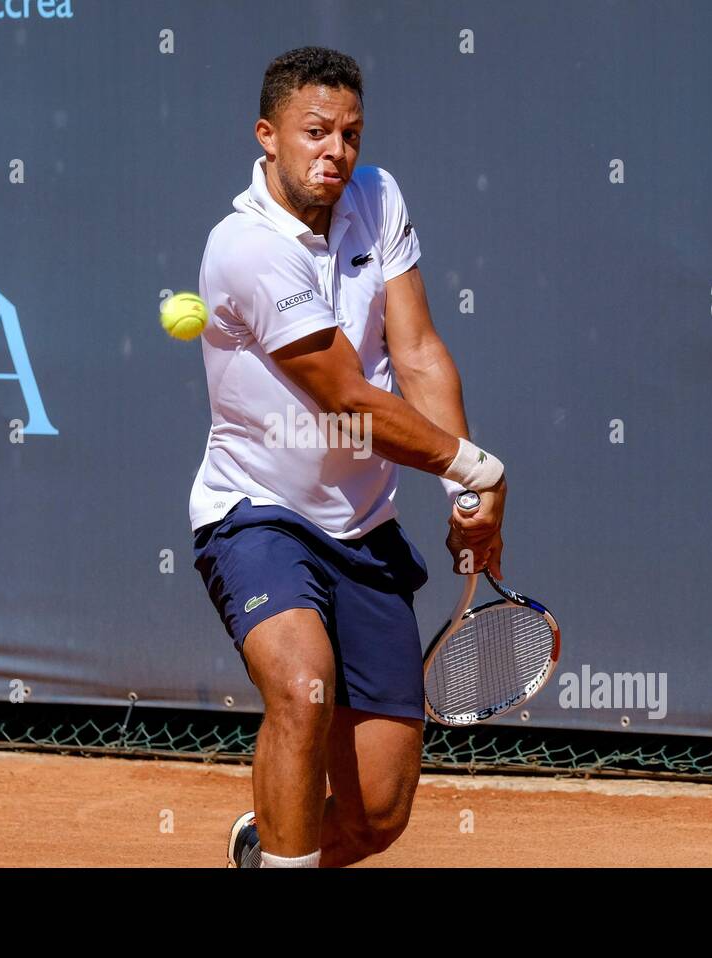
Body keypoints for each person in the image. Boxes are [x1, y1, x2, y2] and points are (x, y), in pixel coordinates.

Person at [189, 46, 508, 868]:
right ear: (268, 136)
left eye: (351, 135)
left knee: (376, 814)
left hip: (364, 528)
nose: (336, 152)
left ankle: (269, 850)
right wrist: (478, 469)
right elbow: (349, 403)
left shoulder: (377, 197)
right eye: (315, 132)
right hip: (257, 513)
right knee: (302, 687)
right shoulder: (245, 247)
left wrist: (459, 492)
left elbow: (420, 352)